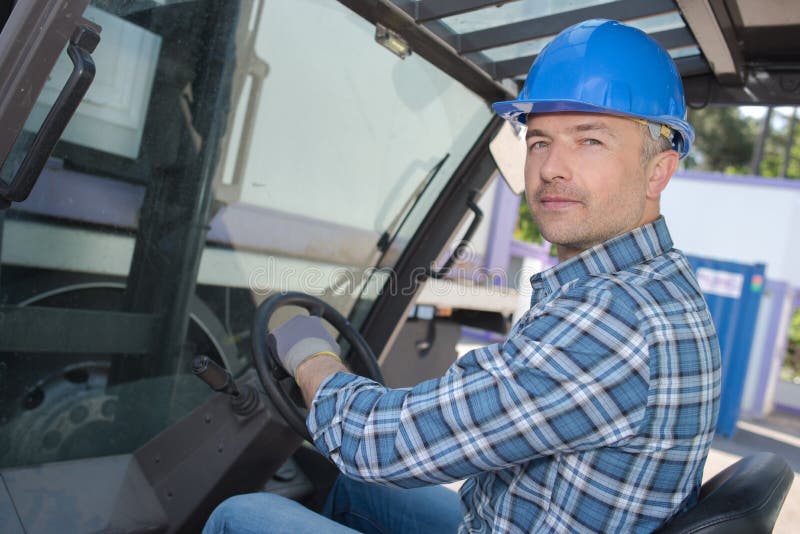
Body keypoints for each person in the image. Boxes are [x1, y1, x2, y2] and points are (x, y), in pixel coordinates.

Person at [204, 19, 721, 534]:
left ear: (659, 171)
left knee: (240, 518)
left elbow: (379, 444)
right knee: (352, 487)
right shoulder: (660, 287)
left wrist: (309, 354)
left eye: (589, 140)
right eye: (540, 141)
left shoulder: (612, 320)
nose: (551, 168)